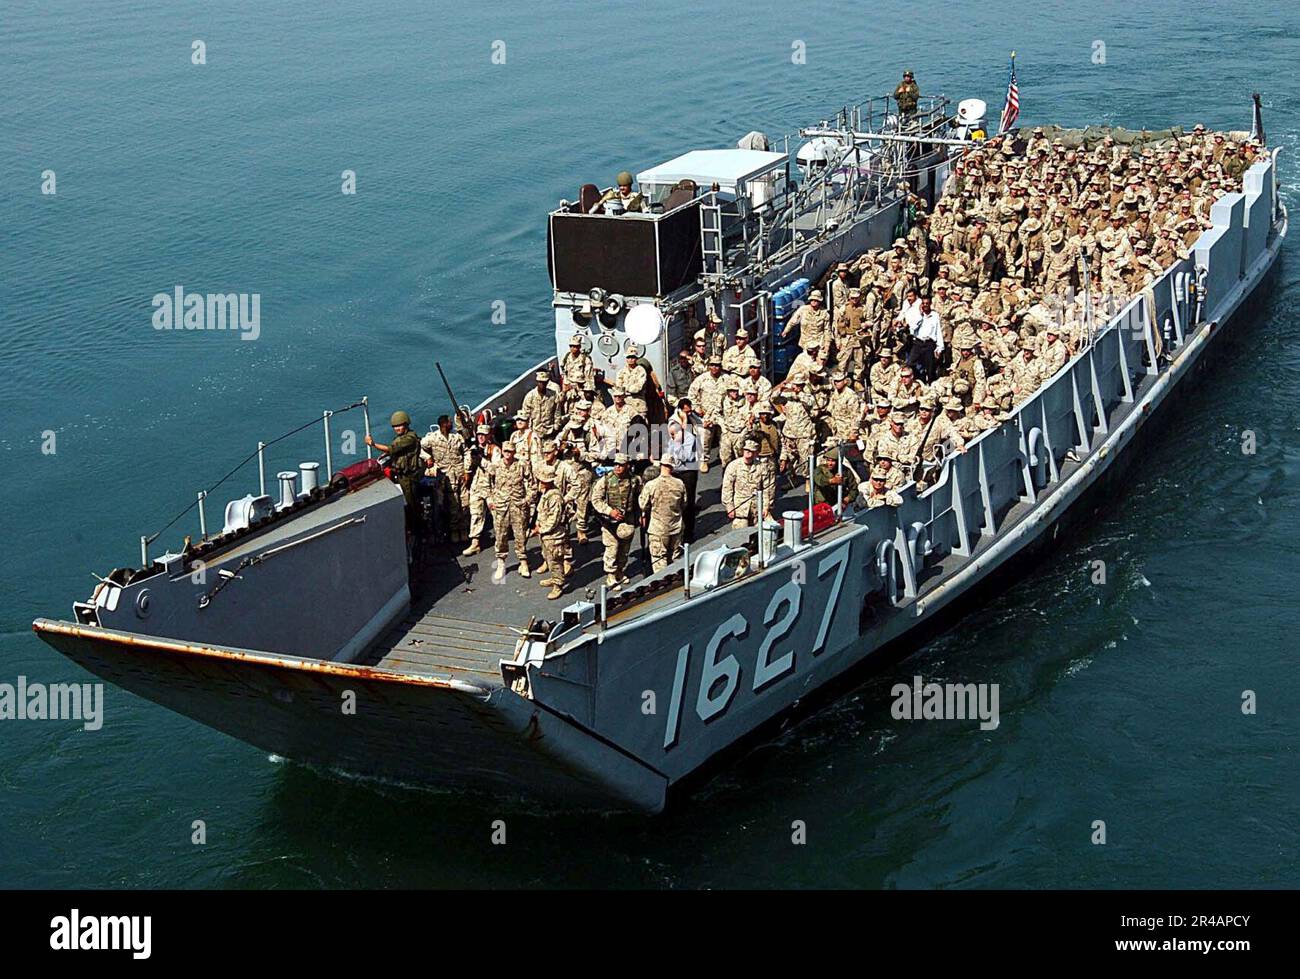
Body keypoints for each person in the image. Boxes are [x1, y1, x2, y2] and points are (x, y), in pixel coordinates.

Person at [590, 452, 642, 590]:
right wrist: (609, 512)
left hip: (627, 518)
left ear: (627, 466)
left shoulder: (635, 480)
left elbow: (640, 498)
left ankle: (620, 570)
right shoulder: (605, 480)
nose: (618, 467)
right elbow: (595, 499)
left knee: (625, 548)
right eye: (616, 464)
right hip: (609, 520)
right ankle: (611, 575)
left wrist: (641, 515)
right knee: (612, 547)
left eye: (621, 465)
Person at [367, 410, 422, 531]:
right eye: (395, 426)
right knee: (409, 503)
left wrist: (373, 444)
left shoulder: (409, 438)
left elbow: (390, 449)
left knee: (412, 505)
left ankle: (417, 530)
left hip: (409, 476)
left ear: (406, 424)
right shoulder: (401, 438)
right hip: (402, 475)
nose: (397, 428)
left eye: (399, 425)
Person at [488, 442, 532, 582]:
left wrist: (527, 500)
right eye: (505, 451)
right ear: (502, 451)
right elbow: (486, 482)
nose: (508, 453)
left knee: (520, 535)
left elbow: (531, 483)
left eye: (510, 451)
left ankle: (523, 562)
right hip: (501, 506)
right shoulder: (495, 466)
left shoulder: (521, 465)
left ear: (514, 452)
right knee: (501, 535)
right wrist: (490, 499)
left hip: (518, 505)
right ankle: (501, 563)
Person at [421, 415, 467, 546]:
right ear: (444, 424)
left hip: (459, 473)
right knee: (451, 504)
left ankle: (463, 528)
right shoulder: (433, 438)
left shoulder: (456, 437)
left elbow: (466, 452)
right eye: (449, 422)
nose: (451, 423)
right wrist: (427, 457)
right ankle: (453, 530)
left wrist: (466, 470)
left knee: (464, 502)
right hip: (444, 476)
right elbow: (420, 448)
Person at [638, 456, 687, 574]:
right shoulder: (680, 484)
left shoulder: (651, 485)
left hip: (658, 529)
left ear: (661, 466)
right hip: (676, 527)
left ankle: (662, 585)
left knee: (659, 561)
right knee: (675, 560)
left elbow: (643, 504)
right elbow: (684, 503)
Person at [530, 465, 568, 601]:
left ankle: (558, 585)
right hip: (546, 534)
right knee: (548, 558)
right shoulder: (546, 493)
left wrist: (540, 529)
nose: (540, 482)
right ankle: (554, 578)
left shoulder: (555, 497)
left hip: (554, 535)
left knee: (555, 560)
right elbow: (542, 511)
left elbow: (554, 519)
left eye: (542, 480)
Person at [722, 438, 774, 529]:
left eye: (751, 450)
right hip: (740, 507)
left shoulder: (761, 467)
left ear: (756, 453)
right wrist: (729, 506)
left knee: (769, 529)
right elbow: (727, 488)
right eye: (746, 450)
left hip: (757, 507)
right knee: (741, 532)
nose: (748, 452)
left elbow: (767, 488)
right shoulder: (733, 466)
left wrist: (766, 506)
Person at [462, 423, 493, 555]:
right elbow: (467, 469)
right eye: (479, 435)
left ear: (488, 436)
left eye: (484, 435)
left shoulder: (494, 450)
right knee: (475, 515)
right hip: (477, 486)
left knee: (498, 515)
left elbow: (495, 470)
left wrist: (482, 460)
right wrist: (471, 457)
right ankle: (475, 543)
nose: (481, 437)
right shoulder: (473, 450)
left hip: (491, 487)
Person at [908, 297, 944, 382]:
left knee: (930, 368)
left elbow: (938, 331)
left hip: (929, 344)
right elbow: (912, 328)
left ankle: (931, 386)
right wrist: (920, 316)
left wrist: (939, 347)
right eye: (923, 303)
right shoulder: (917, 315)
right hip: (918, 343)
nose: (925, 305)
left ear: (930, 304)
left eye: (927, 303)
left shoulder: (935, 315)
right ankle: (917, 381)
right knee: (911, 364)